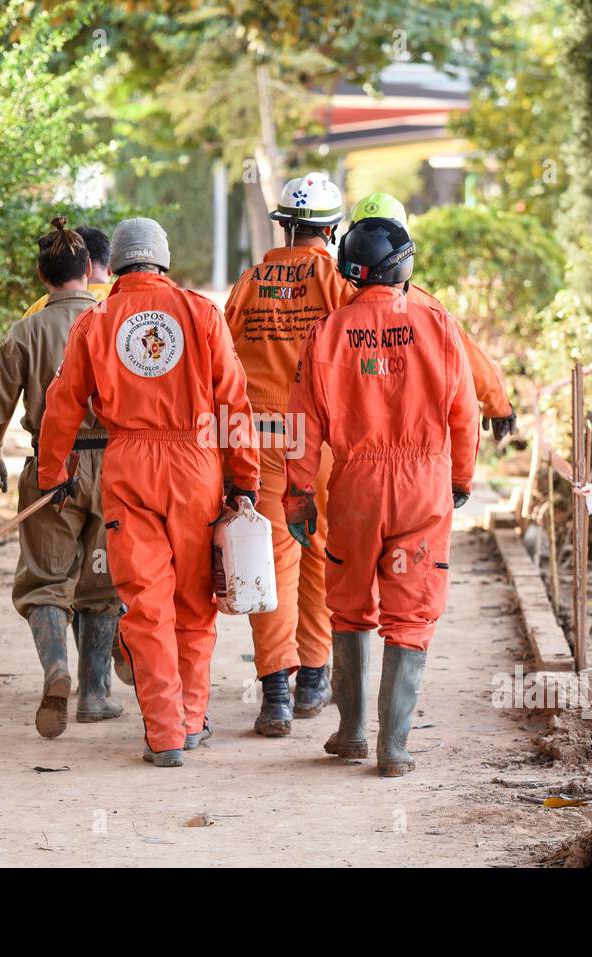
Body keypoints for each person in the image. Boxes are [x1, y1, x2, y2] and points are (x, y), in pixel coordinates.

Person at [37, 218, 259, 768]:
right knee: (194, 602)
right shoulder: (201, 312)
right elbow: (234, 400)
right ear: (164, 261)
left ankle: (163, 737)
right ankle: (191, 719)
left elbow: (62, 403)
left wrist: (52, 475)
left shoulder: (96, 319)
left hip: (129, 466)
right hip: (196, 467)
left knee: (145, 605)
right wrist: (245, 478)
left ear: (111, 266)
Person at [285, 215, 480, 778]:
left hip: (355, 486)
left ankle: (350, 733)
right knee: (411, 613)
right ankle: (393, 747)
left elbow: (303, 424)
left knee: (348, 608)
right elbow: (463, 411)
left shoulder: (328, 331)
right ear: (403, 265)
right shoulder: (437, 323)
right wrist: (460, 478)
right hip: (424, 484)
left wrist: (298, 495)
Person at [0, 216, 122, 740]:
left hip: (54, 472)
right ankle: (97, 694)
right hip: (120, 472)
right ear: (90, 268)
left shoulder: (27, 330)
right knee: (104, 585)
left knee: (46, 584)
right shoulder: (117, 320)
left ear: (42, 274)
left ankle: (56, 669)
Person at [223, 171, 351, 737]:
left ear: (284, 224)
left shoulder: (249, 282)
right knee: (320, 551)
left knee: (271, 560)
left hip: (263, 441)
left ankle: (275, 692)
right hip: (321, 444)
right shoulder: (337, 280)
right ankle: (314, 680)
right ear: (332, 229)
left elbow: (220, 362)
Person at [348, 193, 517, 441]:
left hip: (351, 444)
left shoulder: (332, 302)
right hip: (418, 446)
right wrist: (499, 405)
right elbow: (465, 356)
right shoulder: (426, 309)